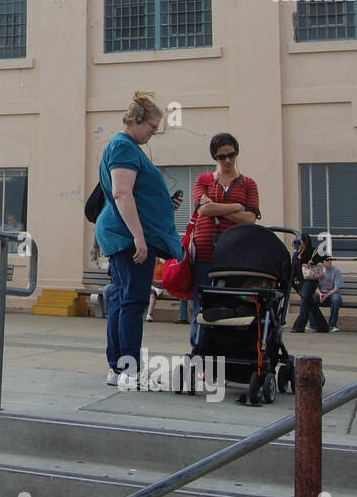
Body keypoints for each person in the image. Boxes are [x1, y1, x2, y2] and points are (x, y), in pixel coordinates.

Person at [94, 91, 183, 389]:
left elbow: (135, 194)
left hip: (122, 232)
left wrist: (162, 205)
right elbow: (122, 193)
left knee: (121, 298)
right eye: (152, 127)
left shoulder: (124, 147)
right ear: (139, 120)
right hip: (126, 235)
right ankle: (129, 368)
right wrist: (139, 237)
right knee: (133, 300)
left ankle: (118, 366)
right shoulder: (124, 147)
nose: (153, 134)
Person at [187, 133, 260, 350]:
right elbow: (203, 209)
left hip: (234, 256)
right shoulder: (204, 180)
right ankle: (198, 352)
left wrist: (217, 208)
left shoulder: (248, 184)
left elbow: (250, 219)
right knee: (202, 306)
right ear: (215, 158)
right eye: (222, 157)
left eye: (231, 155)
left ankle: (225, 352)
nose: (228, 160)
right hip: (204, 254)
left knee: (231, 307)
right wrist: (237, 206)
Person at [290, 234, 330, 333]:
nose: (299, 244)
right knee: (311, 304)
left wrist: (313, 261)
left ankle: (299, 326)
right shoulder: (297, 253)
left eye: (301, 242)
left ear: (305, 242)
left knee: (304, 302)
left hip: (310, 281)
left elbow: (326, 256)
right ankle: (323, 326)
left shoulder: (312, 251)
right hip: (301, 281)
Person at [317, 255, 345, 332]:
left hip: (332, 293)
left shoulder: (336, 271)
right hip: (320, 293)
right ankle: (314, 324)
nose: (329, 261)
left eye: (331, 259)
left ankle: (332, 325)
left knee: (336, 299)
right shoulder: (318, 270)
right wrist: (320, 294)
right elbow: (314, 286)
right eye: (327, 260)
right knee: (309, 298)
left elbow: (337, 288)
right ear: (322, 262)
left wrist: (327, 295)